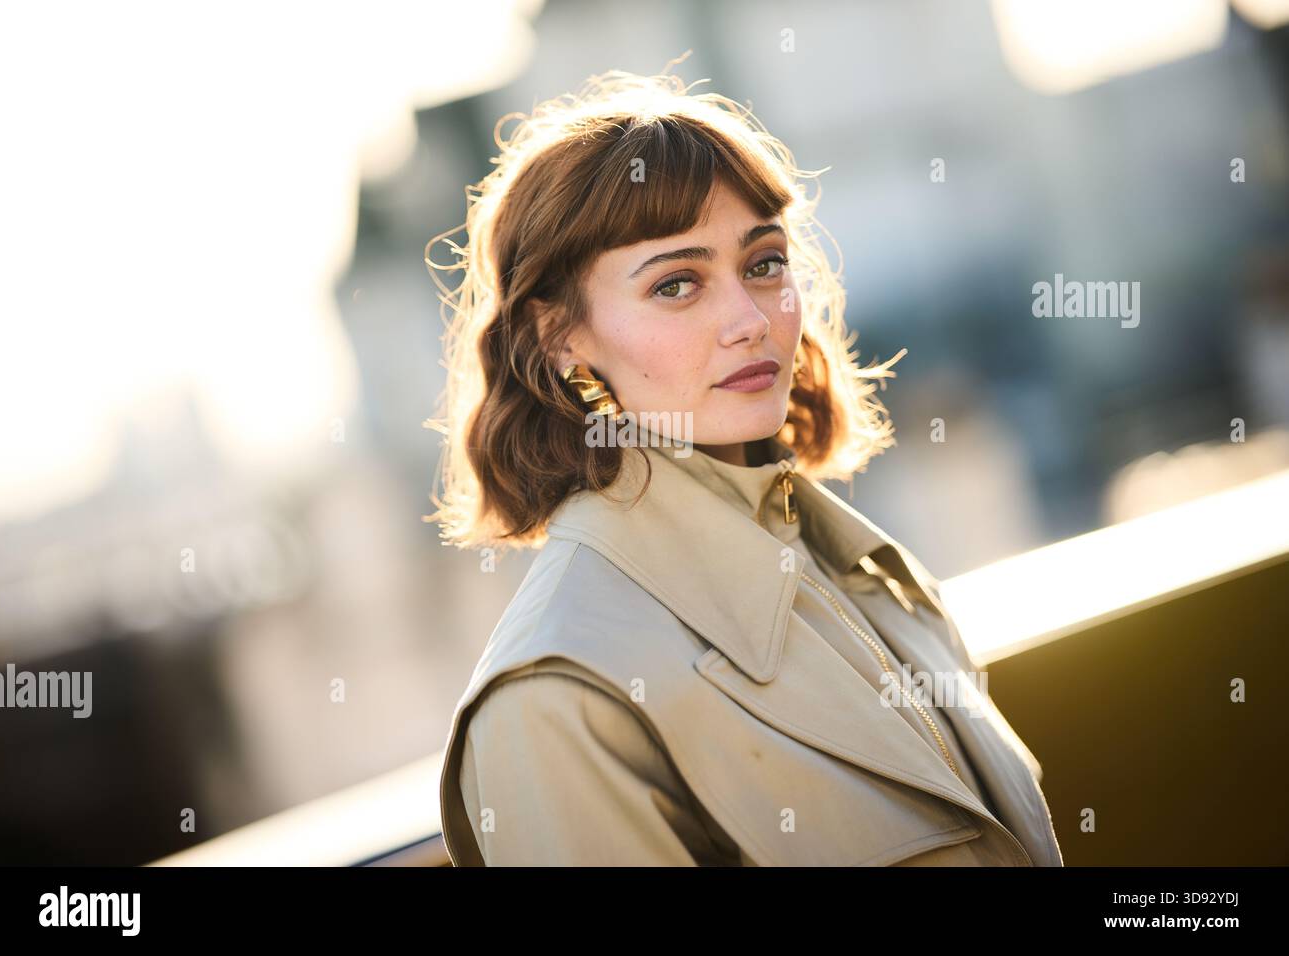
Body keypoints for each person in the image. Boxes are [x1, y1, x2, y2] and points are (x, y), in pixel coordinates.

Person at [424, 66, 1063, 866]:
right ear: (561, 337)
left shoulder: (870, 574)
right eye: (677, 283)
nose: (749, 320)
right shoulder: (557, 703)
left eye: (763, 263)